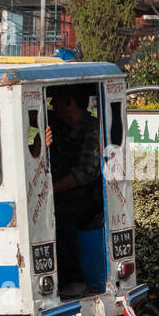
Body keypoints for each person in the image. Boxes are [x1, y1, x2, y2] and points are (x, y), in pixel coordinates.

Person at [46, 84, 102, 299]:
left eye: (56, 100)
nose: (52, 106)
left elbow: (85, 173)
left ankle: (75, 280)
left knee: (60, 215)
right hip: (62, 194)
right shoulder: (59, 126)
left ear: (69, 102)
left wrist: (50, 190)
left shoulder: (92, 129)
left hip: (87, 199)